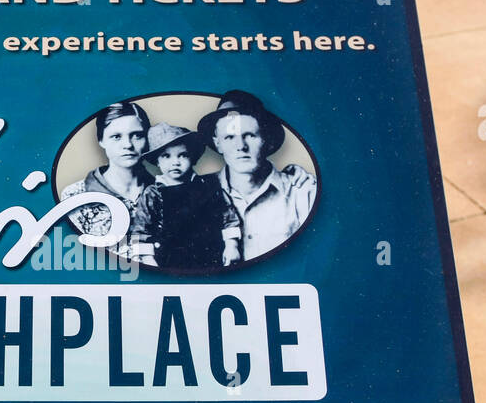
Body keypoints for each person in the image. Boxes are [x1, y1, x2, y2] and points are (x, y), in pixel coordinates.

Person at [198, 89, 317, 260]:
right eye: (230, 137)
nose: (241, 146)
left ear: (266, 139)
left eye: (249, 135)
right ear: (218, 144)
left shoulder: (302, 192)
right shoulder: (198, 192)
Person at [130, 122, 242, 269]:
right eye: (166, 156)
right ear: (157, 160)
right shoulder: (153, 193)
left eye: (183, 155)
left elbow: (228, 216)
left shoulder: (208, 186)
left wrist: (231, 246)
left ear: (192, 157)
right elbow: (142, 230)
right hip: (169, 259)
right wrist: (148, 259)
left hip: (211, 256)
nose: (175, 162)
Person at [61, 100, 154, 253]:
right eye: (116, 136)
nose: (128, 145)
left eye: (137, 135)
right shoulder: (76, 195)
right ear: (101, 140)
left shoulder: (163, 190)